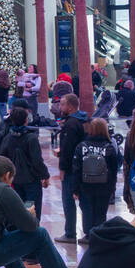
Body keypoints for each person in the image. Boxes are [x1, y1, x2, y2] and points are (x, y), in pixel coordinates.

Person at [0, 106, 50, 217]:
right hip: (31, 181)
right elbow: (37, 161)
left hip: (15, 180)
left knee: (19, 209)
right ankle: (32, 231)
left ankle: (22, 230)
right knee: (31, 209)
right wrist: (45, 175)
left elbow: (2, 158)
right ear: (26, 120)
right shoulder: (31, 138)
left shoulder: (8, 137)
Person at [72, 118, 120, 243]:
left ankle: (88, 235)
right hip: (104, 186)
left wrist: (75, 188)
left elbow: (76, 169)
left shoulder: (82, 146)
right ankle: (99, 233)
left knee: (87, 209)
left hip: (85, 185)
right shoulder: (109, 147)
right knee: (101, 210)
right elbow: (114, 169)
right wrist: (112, 188)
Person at [55, 93, 89, 245]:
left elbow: (67, 148)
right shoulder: (84, 120)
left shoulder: (70, 124)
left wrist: (62, 167)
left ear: (70, 106)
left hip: (71, 169)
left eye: (62, 104)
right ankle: (88, 232)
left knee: (68, 200)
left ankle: (70, 233)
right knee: (85, 201)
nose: (60, 107)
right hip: (84, 166)